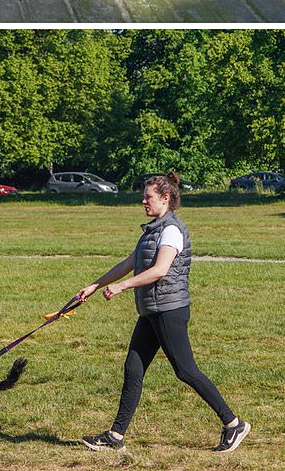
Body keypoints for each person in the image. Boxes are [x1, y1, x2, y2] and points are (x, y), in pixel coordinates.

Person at [72, 173, 249, 454]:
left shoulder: (171, 231)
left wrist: (122, 287)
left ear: (165, 199)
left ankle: (233, 423)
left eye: (148, 197)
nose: (143, 201)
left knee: (185, 370)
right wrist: (95, 285)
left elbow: (159, 270)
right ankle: (115, 435)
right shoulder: (153, 230)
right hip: (152, 310)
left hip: (169, 310)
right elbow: (131, 262)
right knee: (133, 368)